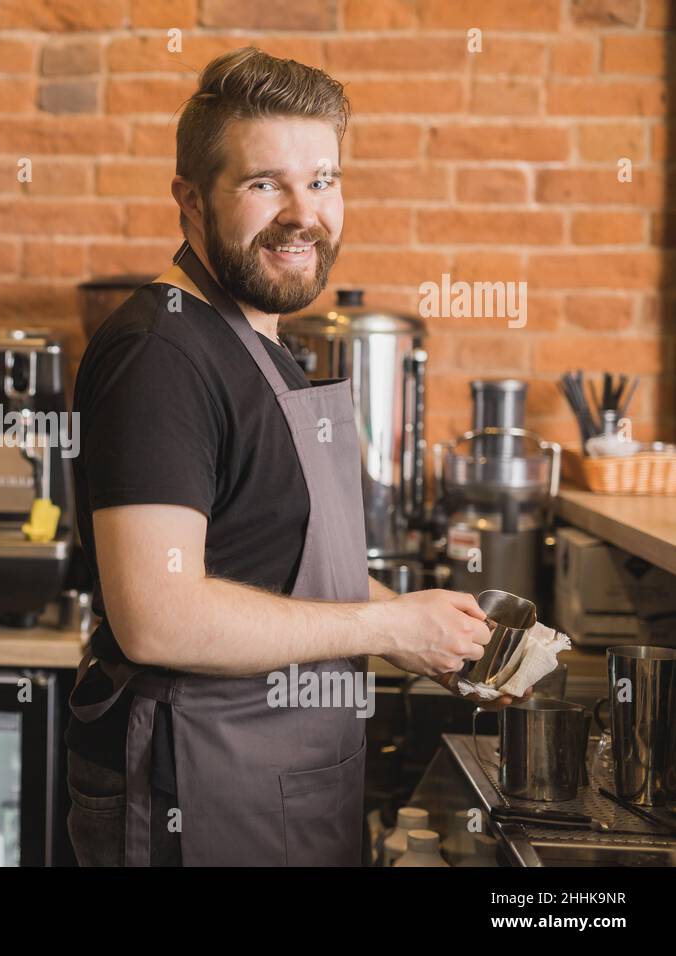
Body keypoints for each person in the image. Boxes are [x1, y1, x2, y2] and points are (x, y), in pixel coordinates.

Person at [65, 47, 525, 868]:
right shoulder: (161, 354)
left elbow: (279, 563)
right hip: (191, 787)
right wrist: (386, 623)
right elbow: (157, 615)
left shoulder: (261, 341)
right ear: (190, 200)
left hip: (275, 780)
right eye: (263, 183)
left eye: (322, 181)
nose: (302, 213)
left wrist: (427, 632)